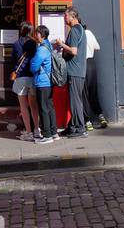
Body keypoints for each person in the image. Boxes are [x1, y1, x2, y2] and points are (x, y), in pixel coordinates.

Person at [60, 7, 89, 138]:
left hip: (75, 71)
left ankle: (80, 128)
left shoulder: (75, 31)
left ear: (73, 17)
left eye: (66, 16)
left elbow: (73, 51)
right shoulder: (80, 29)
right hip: (78, 71)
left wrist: (61, 44)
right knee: (75, 100)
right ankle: (72, 127)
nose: (64, 18)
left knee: (75, 101)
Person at [10, 21, 39, 141]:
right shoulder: (35, 43)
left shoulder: (16, 44)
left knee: (23, 106)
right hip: (32, 76)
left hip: (21, 77)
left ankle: (28, 132)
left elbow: (13, 59)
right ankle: (37, 129)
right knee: (33, 105)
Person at [30, 26, 56, 144]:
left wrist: (31, 62)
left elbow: (34, 66)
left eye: (37, 34)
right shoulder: (48, 45)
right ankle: (53, 132)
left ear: (42, 35)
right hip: (48, 81)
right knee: (50, 107)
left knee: (43, 109)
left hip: (42, 82)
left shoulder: (41, 50)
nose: (36, 35)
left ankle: (47, 135)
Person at [82, 23, 108, 131]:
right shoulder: (89, 33)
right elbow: (97, 47)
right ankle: (101, 116)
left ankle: (87, 121)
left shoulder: (78, 34)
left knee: (83, 94)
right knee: (93, 92)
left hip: (82, 64)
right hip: (92, 63)